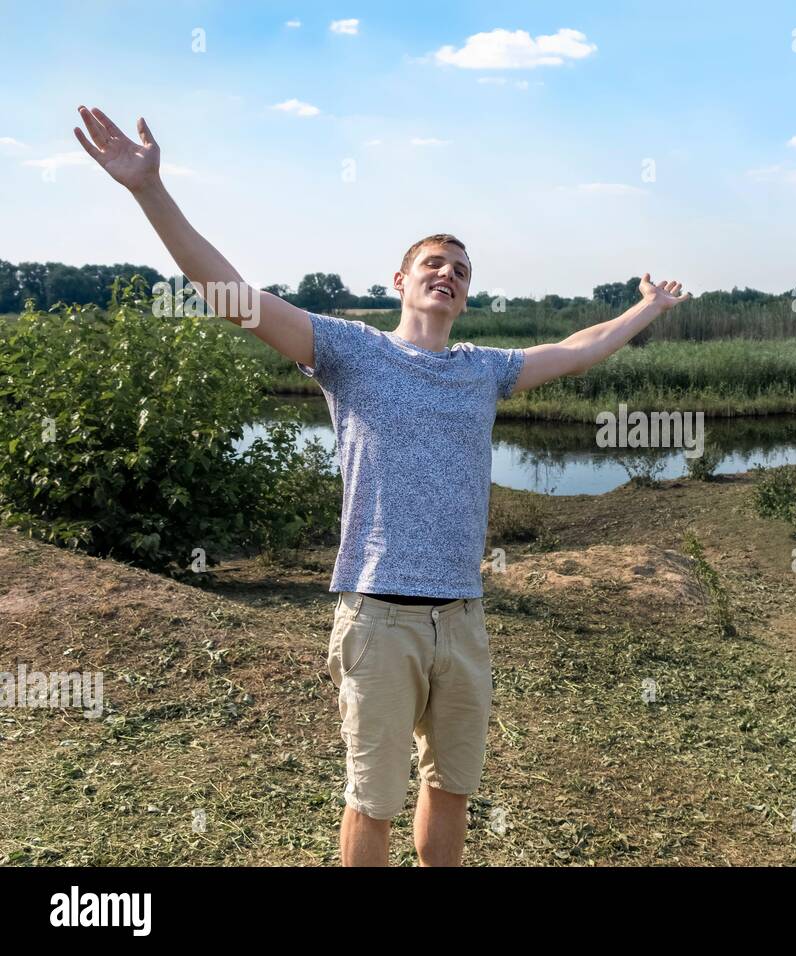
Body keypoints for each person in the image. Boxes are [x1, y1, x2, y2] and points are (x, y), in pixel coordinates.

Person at [73, 104, 691, 866]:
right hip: (379, 618)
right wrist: (150, 191)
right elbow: (231, 295)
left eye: (461, 271)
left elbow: (577, 347)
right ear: (402, 280)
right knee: (373, 802)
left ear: (465, 297)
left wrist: (649, 306)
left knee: (453, 786)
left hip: (462, 620)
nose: (448, 274)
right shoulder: (348, 351)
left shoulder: (483, 371)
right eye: (434, 263)